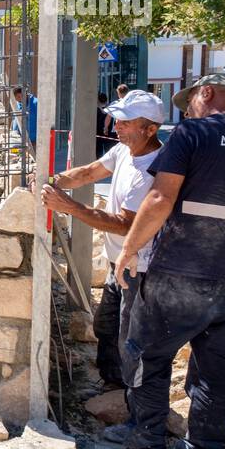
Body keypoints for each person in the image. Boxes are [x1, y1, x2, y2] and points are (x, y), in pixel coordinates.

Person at [100, 74, 225, 449]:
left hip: (180, 274)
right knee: (215, 373)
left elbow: (161, 198)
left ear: (206, 93)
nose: (186, 110)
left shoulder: (193, 133)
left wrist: (128, 251)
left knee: (146, 355)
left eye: (189, 101)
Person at [40, 90, 165, 392]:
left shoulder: (152, 171)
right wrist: (54, 181)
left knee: (130, 338)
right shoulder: (124, 151)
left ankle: (133, 399)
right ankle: (113, 385)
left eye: (125, 122)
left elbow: (124, 224)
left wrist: (69, 206)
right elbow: (88, 173)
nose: (116, 125)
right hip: (118, 262)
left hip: (141, 268)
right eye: (117, 119)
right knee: (106, 325)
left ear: (149, 129)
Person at [12, 85, 38, 152]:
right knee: (13, 152)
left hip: (33, 140)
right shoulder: (18, 103)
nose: (18, 99)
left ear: (25, 94)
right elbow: (15, 119)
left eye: (19, 97)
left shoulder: (36, 103)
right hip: (19, 138)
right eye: (16, 97)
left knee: (33, 158)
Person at [95, 91, 118, 158]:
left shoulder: (95, 110)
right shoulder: (110, 109)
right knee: (109, 152)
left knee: (98, 153)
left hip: (98, 134)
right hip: (108, 134)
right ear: (106, 100)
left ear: (98, 100)